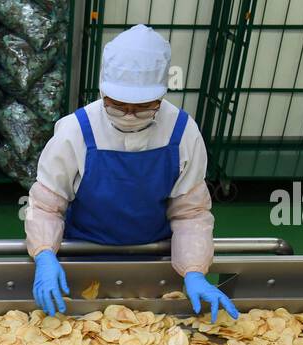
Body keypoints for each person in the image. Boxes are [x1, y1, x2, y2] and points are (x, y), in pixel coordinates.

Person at [25, 25, 239, 323]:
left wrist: (193, 270)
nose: (128, 115)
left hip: (155, 260)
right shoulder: (76, 131)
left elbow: (190, 213)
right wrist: (45, 254)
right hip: (83, 255)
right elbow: (46, 205)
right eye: (117, 106)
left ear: (160, 98)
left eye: (141, 108)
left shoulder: (182, 132)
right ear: (103, 92)